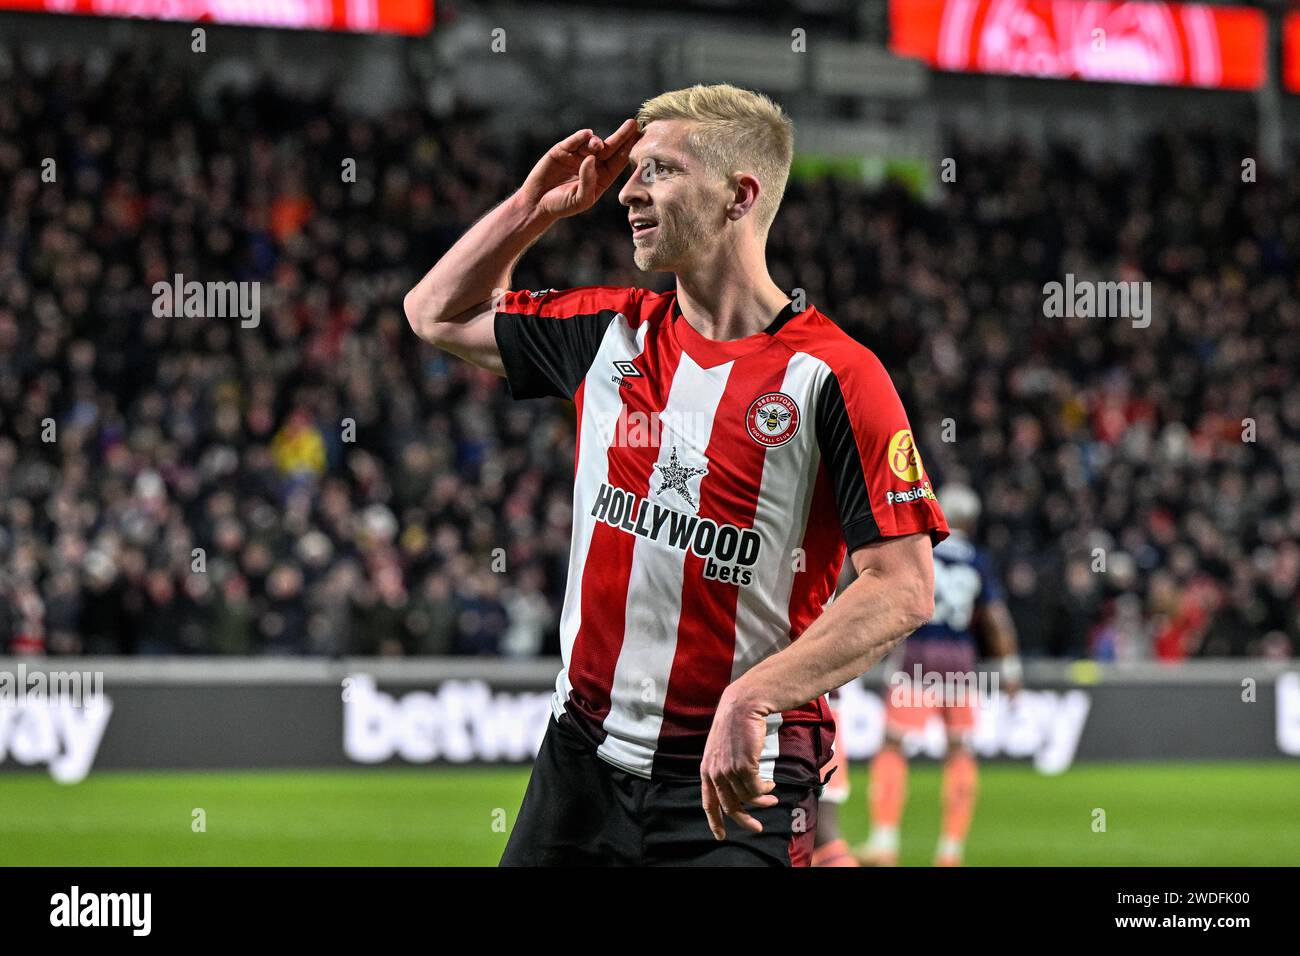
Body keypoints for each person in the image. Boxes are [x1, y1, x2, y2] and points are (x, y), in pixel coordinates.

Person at [404, 83, 949, 866]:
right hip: (581, 763)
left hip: (736, 780)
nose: (627, 190)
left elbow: (902, 586)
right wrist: (535, 207)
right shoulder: (609, 330)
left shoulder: (836, 375)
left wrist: (755, 694)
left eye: (658, 170)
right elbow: (435, 314)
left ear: (739, 194)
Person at [856, 483, 1020, 867]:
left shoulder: (925, 549)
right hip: (960, 658)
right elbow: (995, 618)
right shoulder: (977, 560)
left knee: (893, 744)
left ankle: (884, 842)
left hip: (920, 651)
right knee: (959, 749)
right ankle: (950, 852)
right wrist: (1011, 668)